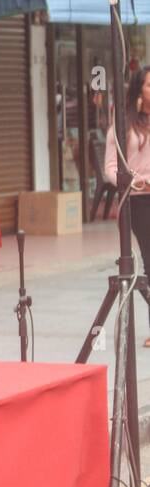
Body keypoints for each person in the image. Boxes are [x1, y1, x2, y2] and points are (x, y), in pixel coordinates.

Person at [103, 65, 150, 347]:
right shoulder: (124, 124)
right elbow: (110, 167)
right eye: (149, 84)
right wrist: (133, 182)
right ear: (138, 90)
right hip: (139, 201)